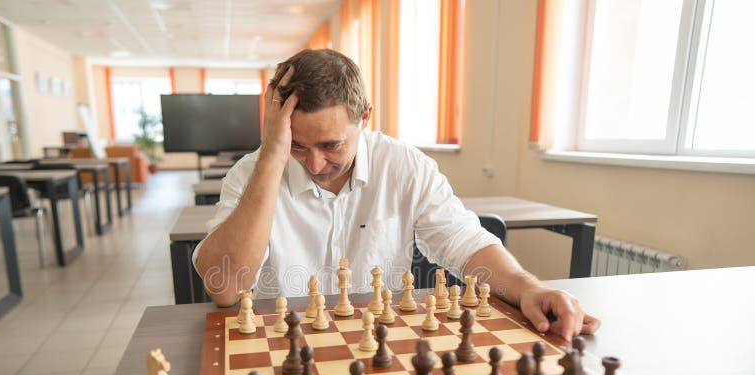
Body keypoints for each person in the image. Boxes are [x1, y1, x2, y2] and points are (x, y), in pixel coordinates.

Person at [194, 49, 600, 342]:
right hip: (281, 343)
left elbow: (466, 244)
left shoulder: (406, 166)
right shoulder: (250, 173)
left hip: (379, 343)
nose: (315, 164)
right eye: (298, 146)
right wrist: (272, 157)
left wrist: (529, 288)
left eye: (332, 145)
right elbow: (226, 288)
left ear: (365, 117)